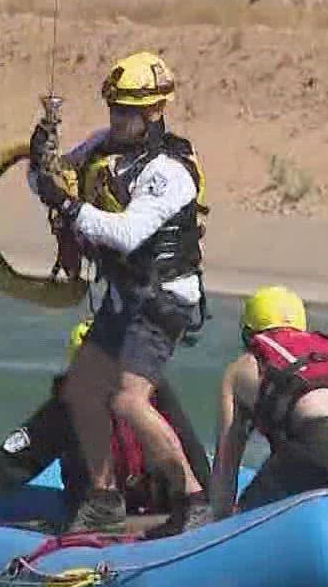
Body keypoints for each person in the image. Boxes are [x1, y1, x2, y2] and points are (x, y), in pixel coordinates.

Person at [28, 50, 212, 538]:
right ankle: (104, 498)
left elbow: (127, 234)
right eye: (113, 109)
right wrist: (39, 156)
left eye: (128, 112)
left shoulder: (169, 172)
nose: (117, 120)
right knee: (82, 391)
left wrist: (67, 207)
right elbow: (49, 182)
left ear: (154, 112)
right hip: (122, 295)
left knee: (130, 402)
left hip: (162, 299)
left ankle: (193, 498)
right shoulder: (101, 147)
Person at [0, 319, 214, 537]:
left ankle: (183, 515)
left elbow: (187, 447)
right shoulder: (68, 406)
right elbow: (16, 457)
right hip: (108, 514)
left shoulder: (148, 396)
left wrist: (209, 504)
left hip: (154, 508)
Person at [211, 286, 328, 517]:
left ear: (249, 332)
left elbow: (226, 461)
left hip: (323, 442)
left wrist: (219, 523)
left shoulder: (243, 366)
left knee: (249, 513)